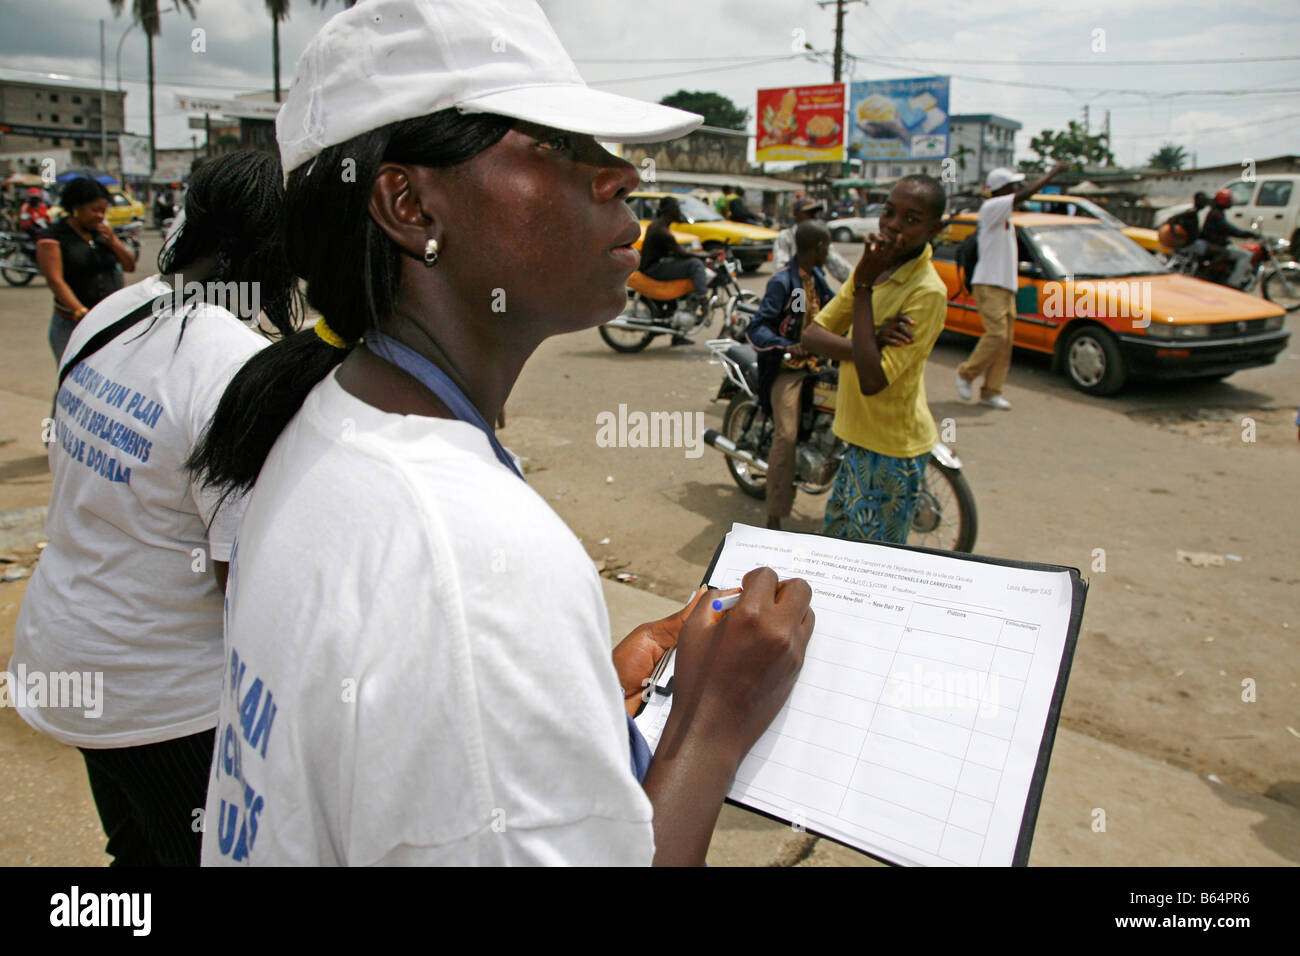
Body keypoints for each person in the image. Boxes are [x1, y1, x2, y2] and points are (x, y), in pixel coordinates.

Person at [187, 0, 813, 867]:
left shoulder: (329, 421)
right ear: (410, 204)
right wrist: (710, 725)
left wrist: (588, 691)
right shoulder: (472, 561)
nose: (620, 176)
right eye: (560, 143)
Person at [8, 150, 304, 867]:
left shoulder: (116, 311)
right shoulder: (236, 370)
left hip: (64, 649)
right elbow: (248, 590)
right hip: (164, 704)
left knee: (136, 857)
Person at [800, 175, 949, 544]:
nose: (894, 227)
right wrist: (872, 341)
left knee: (872, 569)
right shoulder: (873, 268)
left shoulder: (926, 292)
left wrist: (864, 290)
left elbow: (872, 379)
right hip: (856, 440)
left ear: (935, 229)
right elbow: (812, 336)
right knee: (837, 547)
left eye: (911, 220)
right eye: (888, 213)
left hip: (891, 450)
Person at [954, 160, 1069, 409]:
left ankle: (991, 391)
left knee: (1005, 342)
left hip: (1006, 286)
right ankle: (966, 373)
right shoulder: (992, 207)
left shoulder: (1005, 215)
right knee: (996, 335)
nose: (1018, 189)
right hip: (989, 283)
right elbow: (1025, 194)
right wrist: (1052, 173)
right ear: (1003, 190)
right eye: (1013, 186)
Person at [745, 220, 835, 531]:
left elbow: (840, 309)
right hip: (788, 370)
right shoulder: (784, 282)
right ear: (818, 247)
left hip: (818, 365)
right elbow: (757, 327)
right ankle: (774, 514)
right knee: (786, 435)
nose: (829, 251)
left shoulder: (817, 278)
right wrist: (787, 346)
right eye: (828, 245)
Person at [36, 177, 137, 364]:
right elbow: (55, 280)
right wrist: (80, 312)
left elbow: (130, 266)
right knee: (74, 381)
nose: (100, 216)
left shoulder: (102, 234)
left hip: (108, 321)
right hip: (72, 323)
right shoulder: (53, 236)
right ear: (75, 208)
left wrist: (113, 242)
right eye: (94, 210)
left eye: (103, 211)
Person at [771, 197, 851, 281]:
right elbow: (781, 267)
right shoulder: (785, 236)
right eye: (808, 213)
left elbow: (838, 265)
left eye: (815, 213)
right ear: (796, 214)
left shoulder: (819, 237)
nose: (813, 217)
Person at [1202, 189, 1258, 288]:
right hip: (1215, 245)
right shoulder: (1216, 214)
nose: (1231, 202)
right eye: (1229, 200)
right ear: (1224, 201)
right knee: (1245, 255)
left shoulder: (1217, 212)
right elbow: (1230, 229)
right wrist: (1248, 234)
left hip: (1218, 243)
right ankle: (1233, 283)